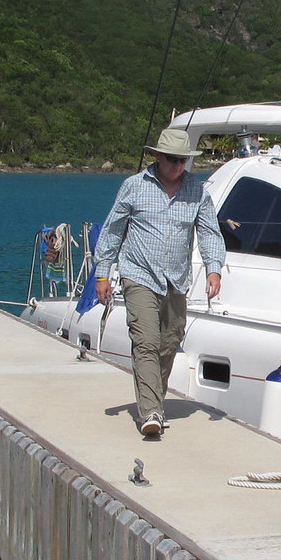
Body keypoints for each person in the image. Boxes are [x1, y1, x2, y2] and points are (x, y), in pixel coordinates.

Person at [94, 127, 225, 439]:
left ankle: (153, 398)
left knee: (169, 343)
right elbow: (113, 231)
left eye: (183, 160)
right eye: (172, 159)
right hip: (138, 274)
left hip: (175, 280)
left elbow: (209, 231)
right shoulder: (134, 187)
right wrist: (102, 273)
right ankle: (151, 411)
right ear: (157, 157)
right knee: (147, 341)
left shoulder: (197, 191)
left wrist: (213, 268)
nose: (178, 166)